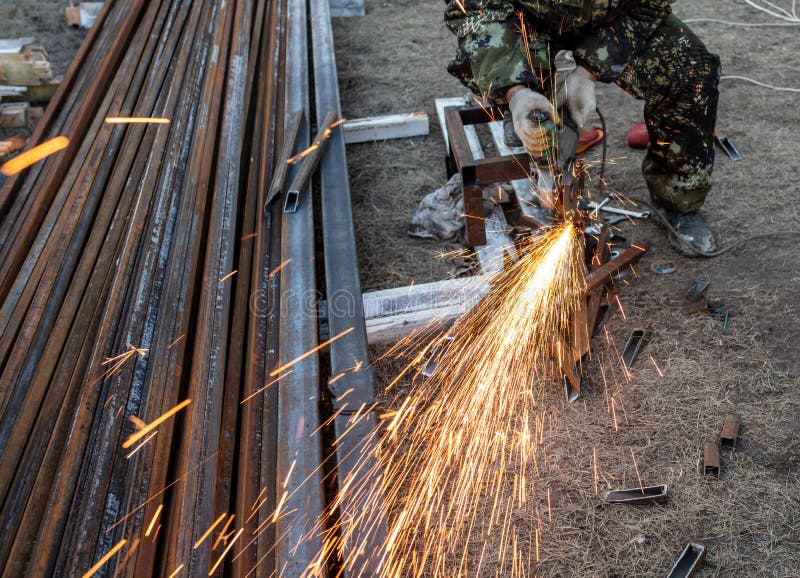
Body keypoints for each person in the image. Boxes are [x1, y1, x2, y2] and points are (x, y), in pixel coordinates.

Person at [443, 1, 721, 255]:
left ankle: (677, 200)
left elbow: (648, 5)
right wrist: (515, 91)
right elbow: (473, 8)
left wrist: (589, 71)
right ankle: (531, 117)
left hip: (611, 19)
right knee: (533, 111)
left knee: (691, 70)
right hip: (521, 18)